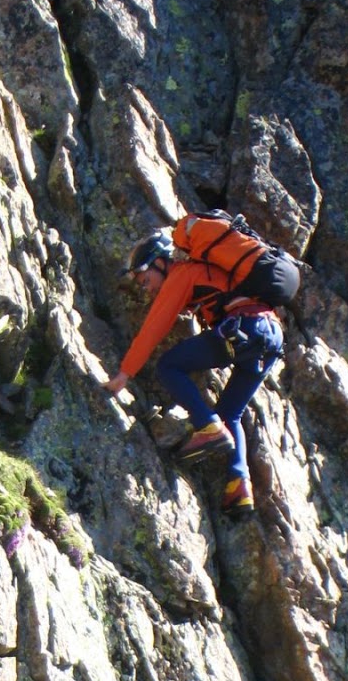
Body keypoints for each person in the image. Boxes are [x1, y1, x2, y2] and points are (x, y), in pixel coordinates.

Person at [103, 220, 286, 514]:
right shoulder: (200, 275)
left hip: (247, 329)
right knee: (231, 413)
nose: (144, 287)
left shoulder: (182, 274)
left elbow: (154, 327)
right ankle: (238, 488)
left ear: (161, 262)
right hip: (270, 336)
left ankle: (207, 427)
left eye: (144, 277)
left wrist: (124, 374)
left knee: (169, 366)